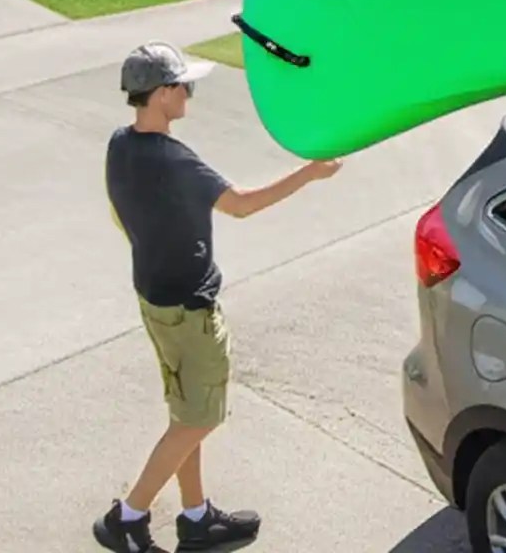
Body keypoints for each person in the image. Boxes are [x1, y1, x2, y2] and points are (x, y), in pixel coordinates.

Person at [94, 41, 342, 553]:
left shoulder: (120, 145)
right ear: (163, 95)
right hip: (189, 311)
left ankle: (196, 516)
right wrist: (312, 173)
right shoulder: (176, 161)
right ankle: (128, 518)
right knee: (200, 418)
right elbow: (243, 205)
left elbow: (121, 214)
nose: (190, 93)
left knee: (186, 415)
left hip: (155, 302)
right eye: (184, 85)